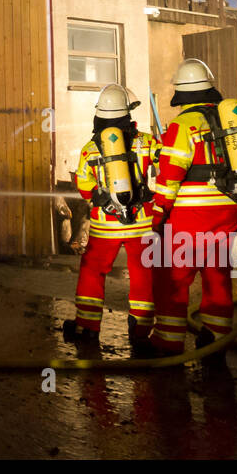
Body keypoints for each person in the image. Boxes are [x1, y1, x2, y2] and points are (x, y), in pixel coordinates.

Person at [148, 58, 237, 355]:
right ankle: (215, 339)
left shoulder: (182, 125)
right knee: (217, 276)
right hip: (227, 210)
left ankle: (169, 340)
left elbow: (169, 176)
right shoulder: (230, 121)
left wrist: (158, 213)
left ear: (182, 94)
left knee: (173, 276)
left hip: (191, 215)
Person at [61, 84, 160, 352]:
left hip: (106, 226)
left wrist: (101, 196)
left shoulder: (90, 148)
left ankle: (88, 328)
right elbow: (164, 168)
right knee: (143, 273)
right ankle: (140, 329)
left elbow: (84, 186)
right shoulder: (145, 141)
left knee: (93, 271)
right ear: (127, 112)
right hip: (142, 223)